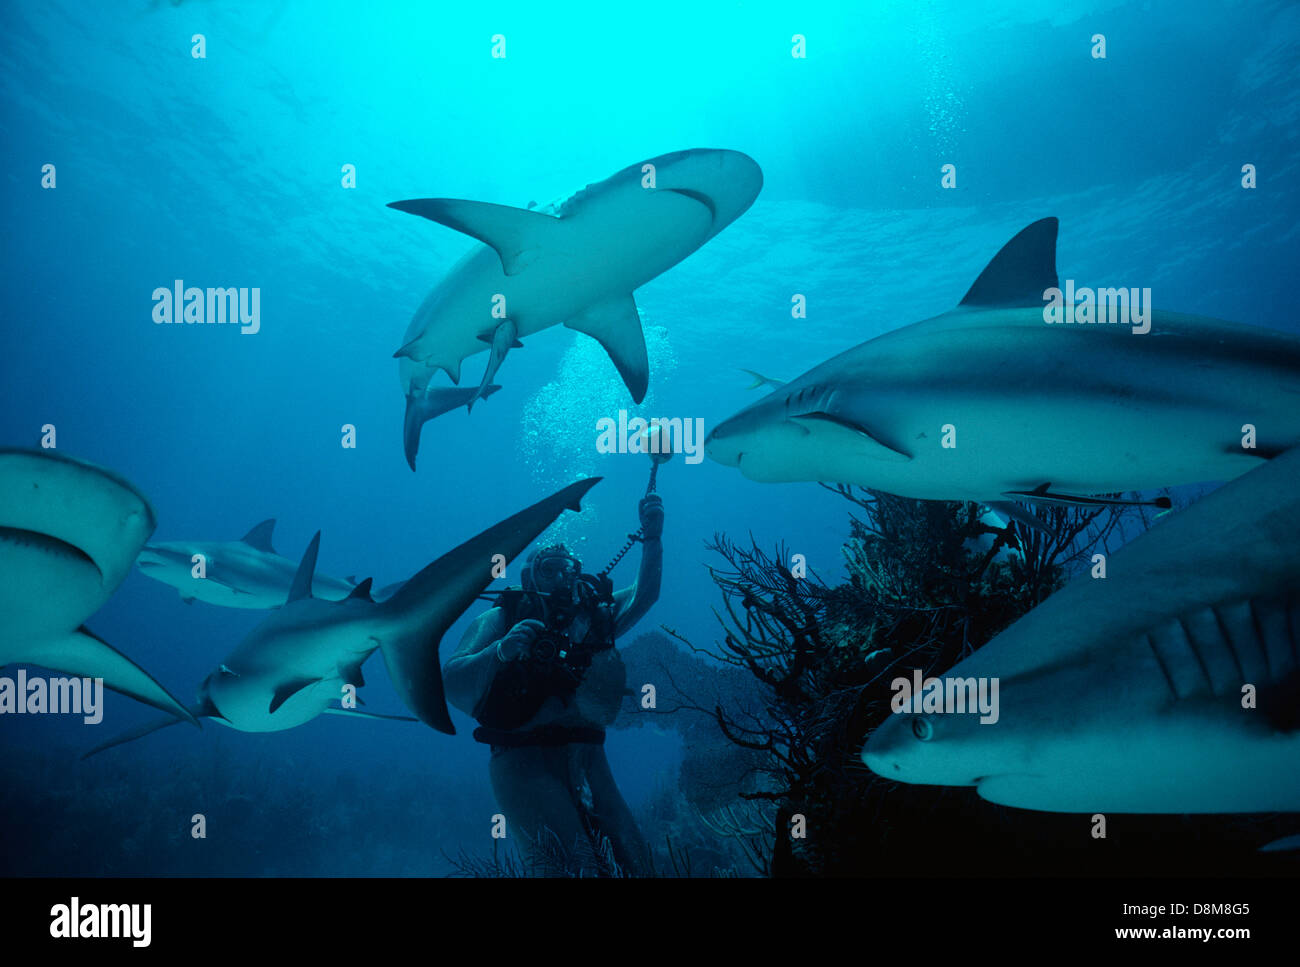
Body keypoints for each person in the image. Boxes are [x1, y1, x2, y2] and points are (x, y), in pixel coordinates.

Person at [443, 493, 664, 876]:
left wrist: (654, 538)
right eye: (549, 570)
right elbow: (451, 680)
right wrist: (498, 651)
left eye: (569, 569)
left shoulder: (593, 618)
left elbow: (645, 595)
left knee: (637, 862)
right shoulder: (500, 619)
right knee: (574, 866)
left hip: (589, 756)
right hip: (522, 760)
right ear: (530, 576)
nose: (562, 578)